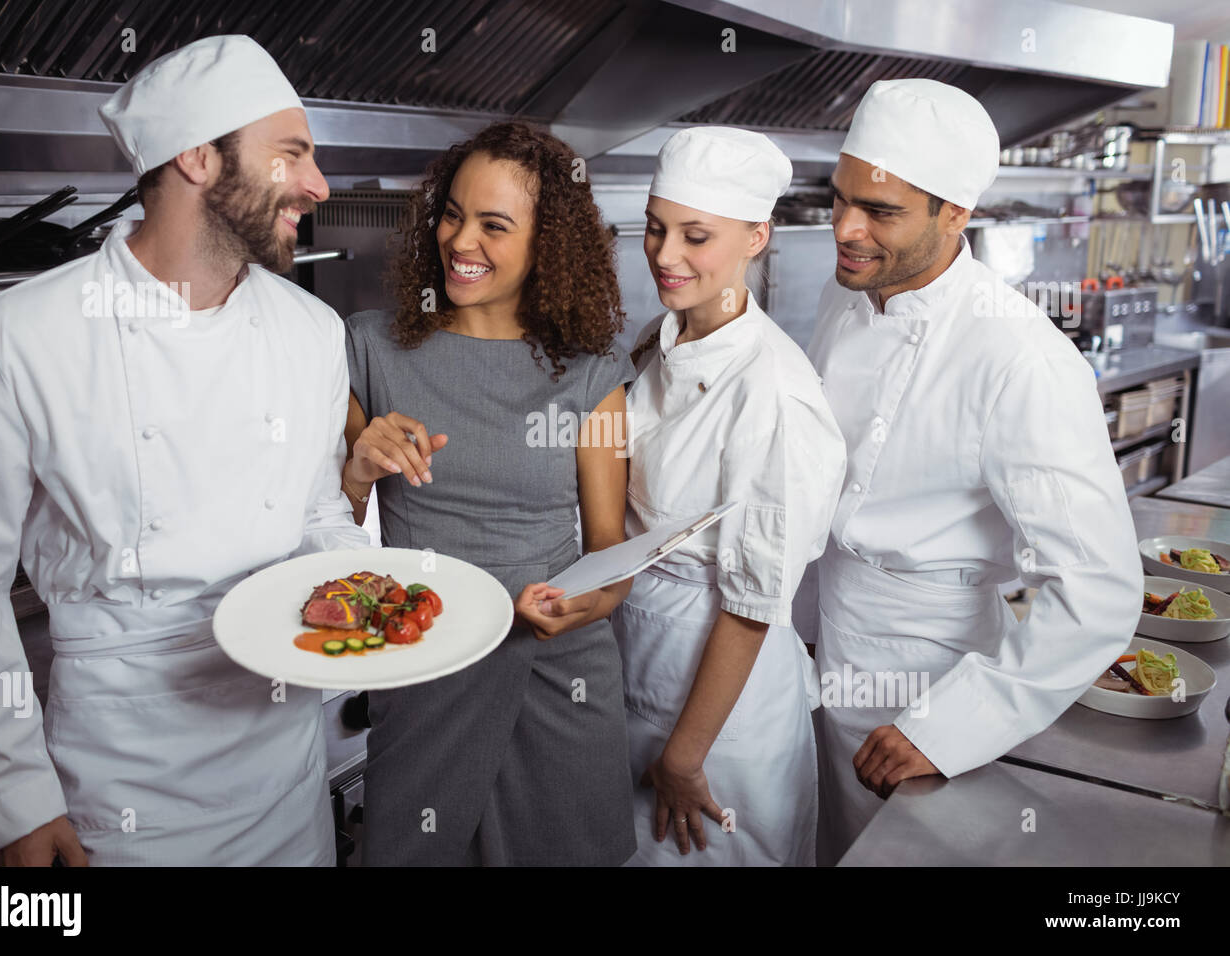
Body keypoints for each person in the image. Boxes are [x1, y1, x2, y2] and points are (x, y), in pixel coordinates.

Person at [0, 35, 366, 865]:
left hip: (285, 763)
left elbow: (316, 515)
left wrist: (374, 602)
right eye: (293, 154)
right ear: (199, 158)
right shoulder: (15, 339)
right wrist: (8, 797)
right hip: (120, 786)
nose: (318, 185)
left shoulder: (312, 330)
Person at [806, 78, 1143, 863]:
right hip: (823, 644)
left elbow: (1096, 589)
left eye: (880, 211)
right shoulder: (849, 294)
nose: (846, 229)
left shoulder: (1021, 358)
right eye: (840, 198)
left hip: (928, 685)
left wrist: (949, 728)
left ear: (955, 214)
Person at [340, 121, 637, 865]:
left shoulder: (593, 374)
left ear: (550, 245)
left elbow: (609, 552)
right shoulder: (369, 350)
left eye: (493, 225)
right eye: (451, 213)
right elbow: (327, 537)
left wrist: (577, 606)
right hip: (427, 668)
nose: (460, 241)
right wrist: (357, 472)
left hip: (556, 671)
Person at [613, 127, 846, 866]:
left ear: (756, 237)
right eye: (654, 228)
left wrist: (685, 758)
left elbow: (752, 601)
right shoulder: (664, 335)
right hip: (641, 659)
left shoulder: (772, 392)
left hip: (720, 718)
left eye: (695, 235)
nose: (665, 254)